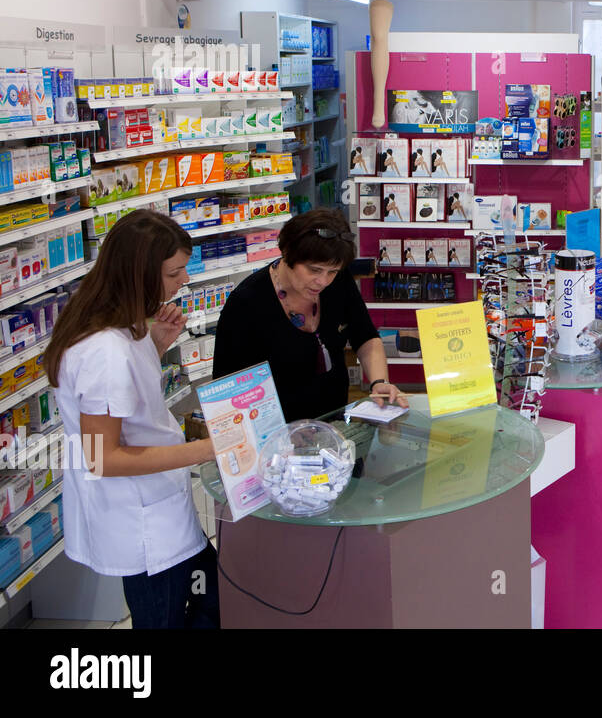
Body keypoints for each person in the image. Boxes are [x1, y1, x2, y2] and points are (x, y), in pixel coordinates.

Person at [47, 210, 218, 629]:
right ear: (140, 273)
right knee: (173, 617)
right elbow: (102, 458)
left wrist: (155, 346)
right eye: (175, 272)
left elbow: (127, 403)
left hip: (163, 519)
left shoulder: (118, 327)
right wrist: (204, 448)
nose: (184, 281)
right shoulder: (104, 351)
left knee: (214, 601)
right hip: (144, 531)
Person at [213, 208, 406, 422]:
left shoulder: (339, 283)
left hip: (334, 425)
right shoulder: (246, 304)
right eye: (314, 270)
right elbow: (228, 391)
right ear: (287, 254)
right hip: (276, 436)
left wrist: (379, 381)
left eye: (331, 272)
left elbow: (365, 337)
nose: (323, 281)